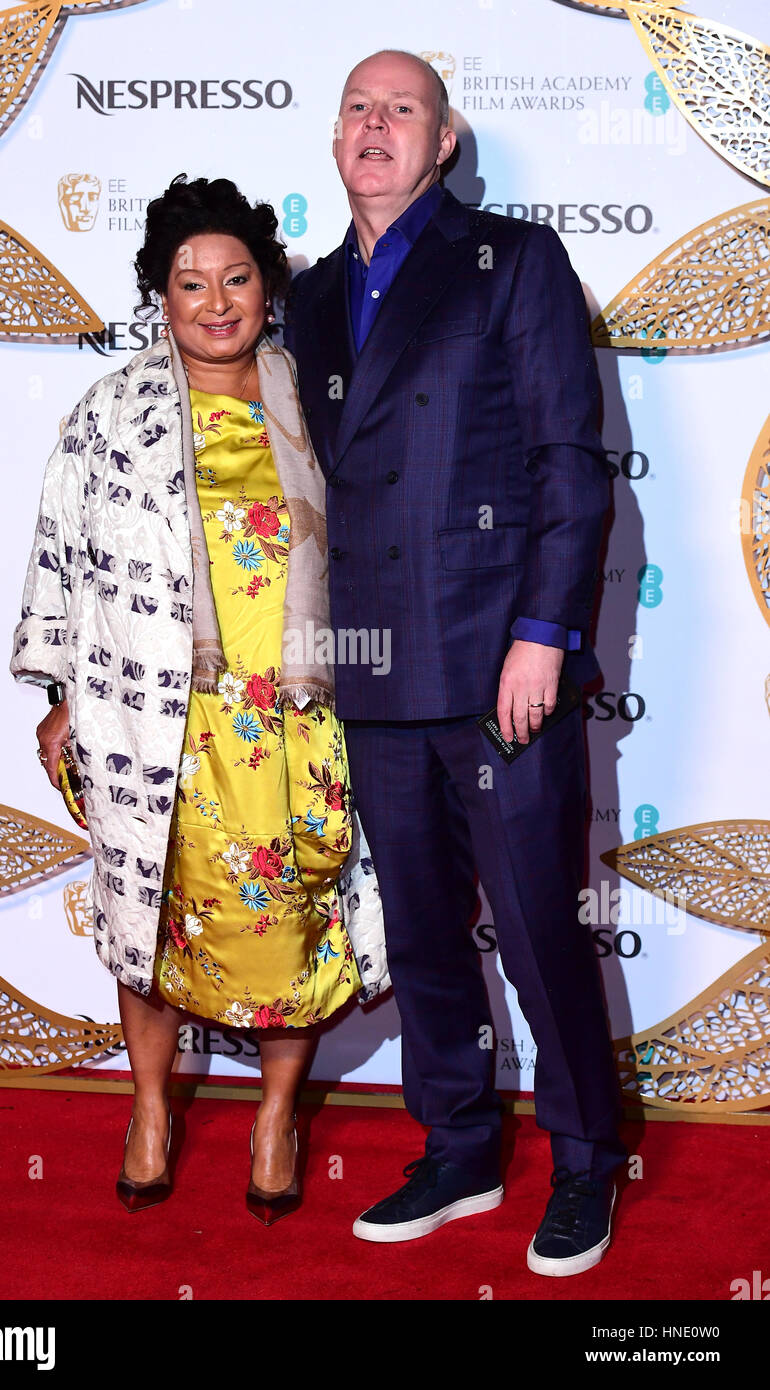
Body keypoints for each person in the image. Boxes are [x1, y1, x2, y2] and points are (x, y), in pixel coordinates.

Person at [283, 49, 628, 1276]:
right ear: (335, 141)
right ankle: (459, 1145)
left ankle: (586, 1161)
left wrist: (542, 634)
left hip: (498, 673)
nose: (376, 126)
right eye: (357, 109)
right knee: (423, 936)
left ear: (440, 145)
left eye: (403, 110)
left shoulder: (512, 262)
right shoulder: (309, 297)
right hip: (373, 671)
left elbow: (566, 466)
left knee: (536, 930)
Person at [11, 175, 382, 1224]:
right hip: (151, 715)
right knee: (146, 915)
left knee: (292, 923)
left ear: (267, 287)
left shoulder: (319, 396)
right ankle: (149, 1108)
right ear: (158, 297)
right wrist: (58, 695)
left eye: (235, 279)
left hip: (296, 714)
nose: (215, 302)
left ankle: (275, 1114)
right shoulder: (112, 413)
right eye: (189, 284)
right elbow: (62, 557)